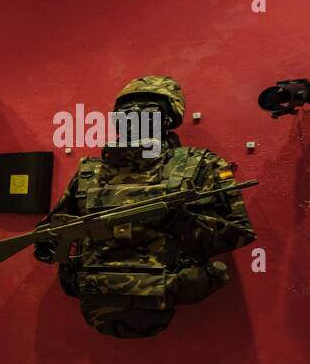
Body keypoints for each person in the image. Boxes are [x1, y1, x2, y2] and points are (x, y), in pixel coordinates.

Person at [35, 76, 257, 338]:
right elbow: (52, 230)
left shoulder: (200, 165)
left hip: (165, 285)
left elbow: (238, 233)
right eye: (125, 111)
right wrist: (51, 244)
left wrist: (177, 219)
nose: (134, 116)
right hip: (95, 289)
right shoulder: (89, 171)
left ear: (168, 118)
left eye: (147, 109)